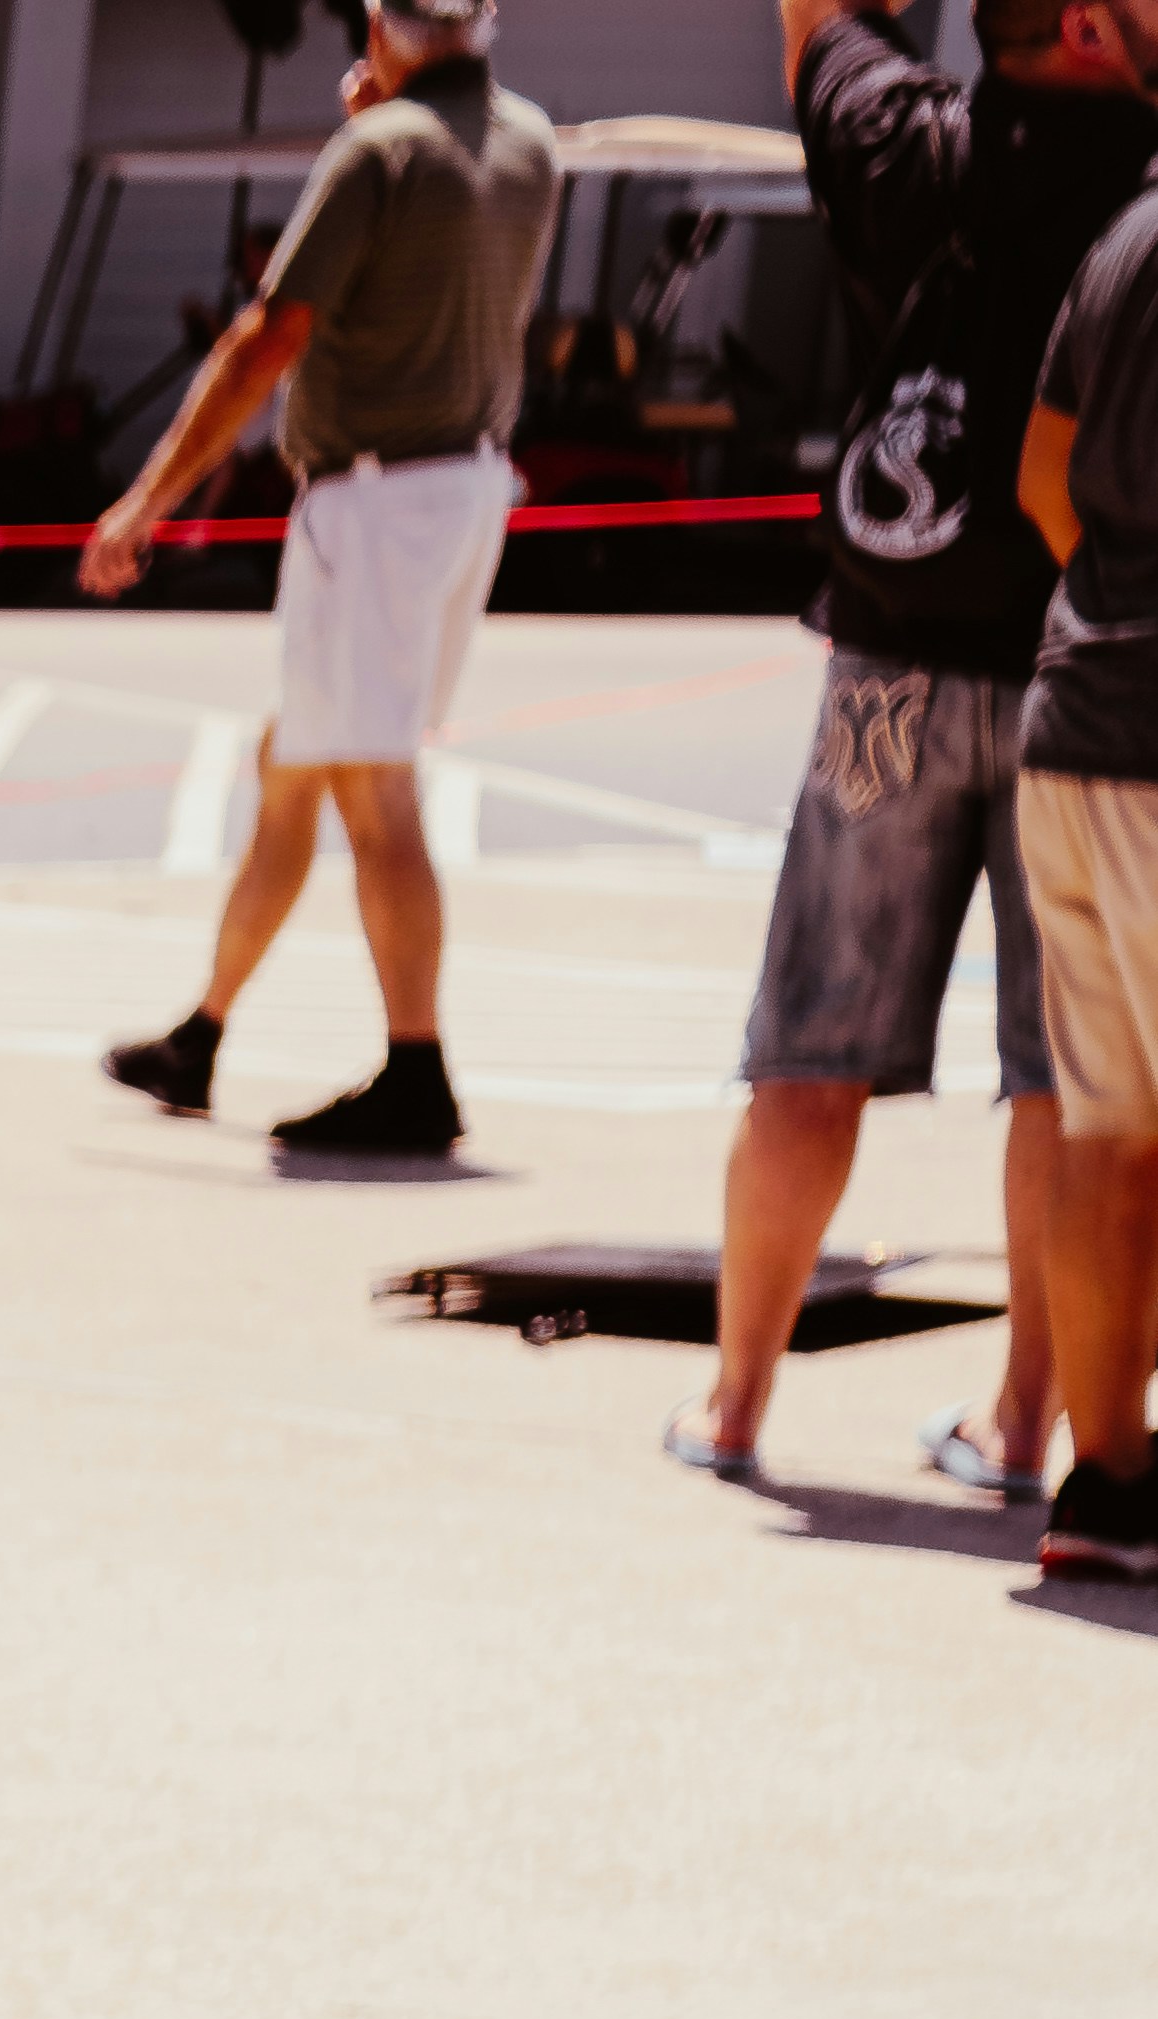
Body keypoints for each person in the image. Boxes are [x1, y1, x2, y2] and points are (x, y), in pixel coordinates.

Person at [685, 0, 1145, 1482]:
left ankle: (736, 1403)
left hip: (886, 658)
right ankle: (1023, 1421)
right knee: (1055, 1081)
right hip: (1067, 680)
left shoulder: (908, 145)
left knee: (805, 1049)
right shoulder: (1139, 171)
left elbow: (818, 26)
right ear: (1084, 24)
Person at [86, 0, 556, 1157]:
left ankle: (415, 1071)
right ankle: (199, 1034)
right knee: (291, 763)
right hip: (458, 485)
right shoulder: (530, 143)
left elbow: (267, 334)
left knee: (367, 784)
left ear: (380, 27)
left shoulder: (377, 152)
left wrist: (145, 500)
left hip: (371, 499)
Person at [1002, 169, 1158, 1562]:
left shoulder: (1119, 231)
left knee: (1106, 1130)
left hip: (1074, 723)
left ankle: (1106, 1480)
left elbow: (1041, 476)